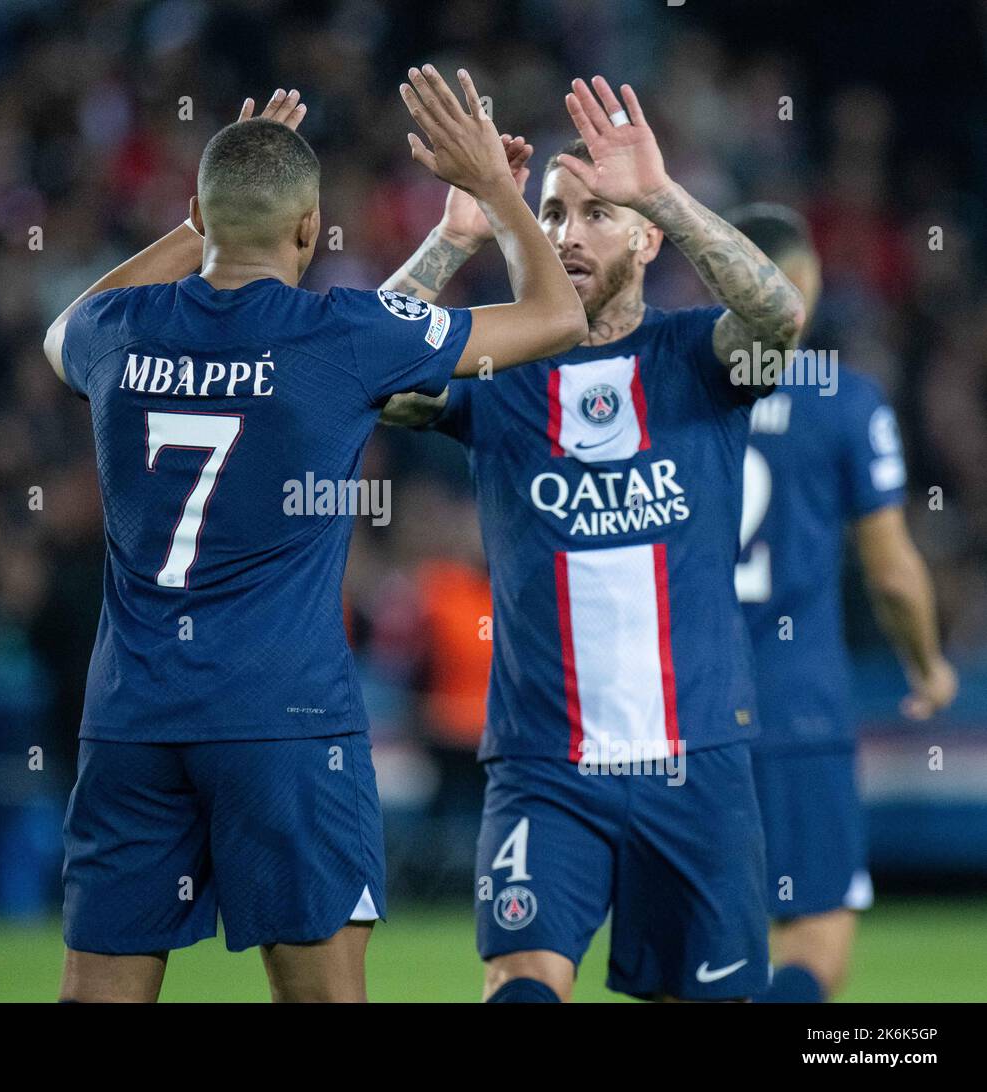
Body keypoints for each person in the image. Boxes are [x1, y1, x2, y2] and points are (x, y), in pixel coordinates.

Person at [42, 75, 586, 1002]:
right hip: (284, 724)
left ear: (206, 216)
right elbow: (557, 319)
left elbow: (60, 328)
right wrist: (493, 194)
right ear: (309, 230)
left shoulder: (116, 331)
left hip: (131, 720)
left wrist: (202, 225)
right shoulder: (335, 333)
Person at [380, 76, 805, 1001]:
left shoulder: (699, 357)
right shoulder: (495, 368)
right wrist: (455, 235)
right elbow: (361, 373)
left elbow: (780, 318)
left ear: (646, 238)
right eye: (550, 214)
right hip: (544, 767)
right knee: (522, 989)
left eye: (596, 214)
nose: (566, 234)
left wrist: (662, 191)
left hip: (695, 761)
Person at [724, 203, 958, 1003]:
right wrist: (929, 667)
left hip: (682, 713)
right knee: (814, 946)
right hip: (796, 714)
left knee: (700, 958)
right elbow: (891, 570)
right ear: (803, 285)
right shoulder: (843, 400)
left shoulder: (671, 391)